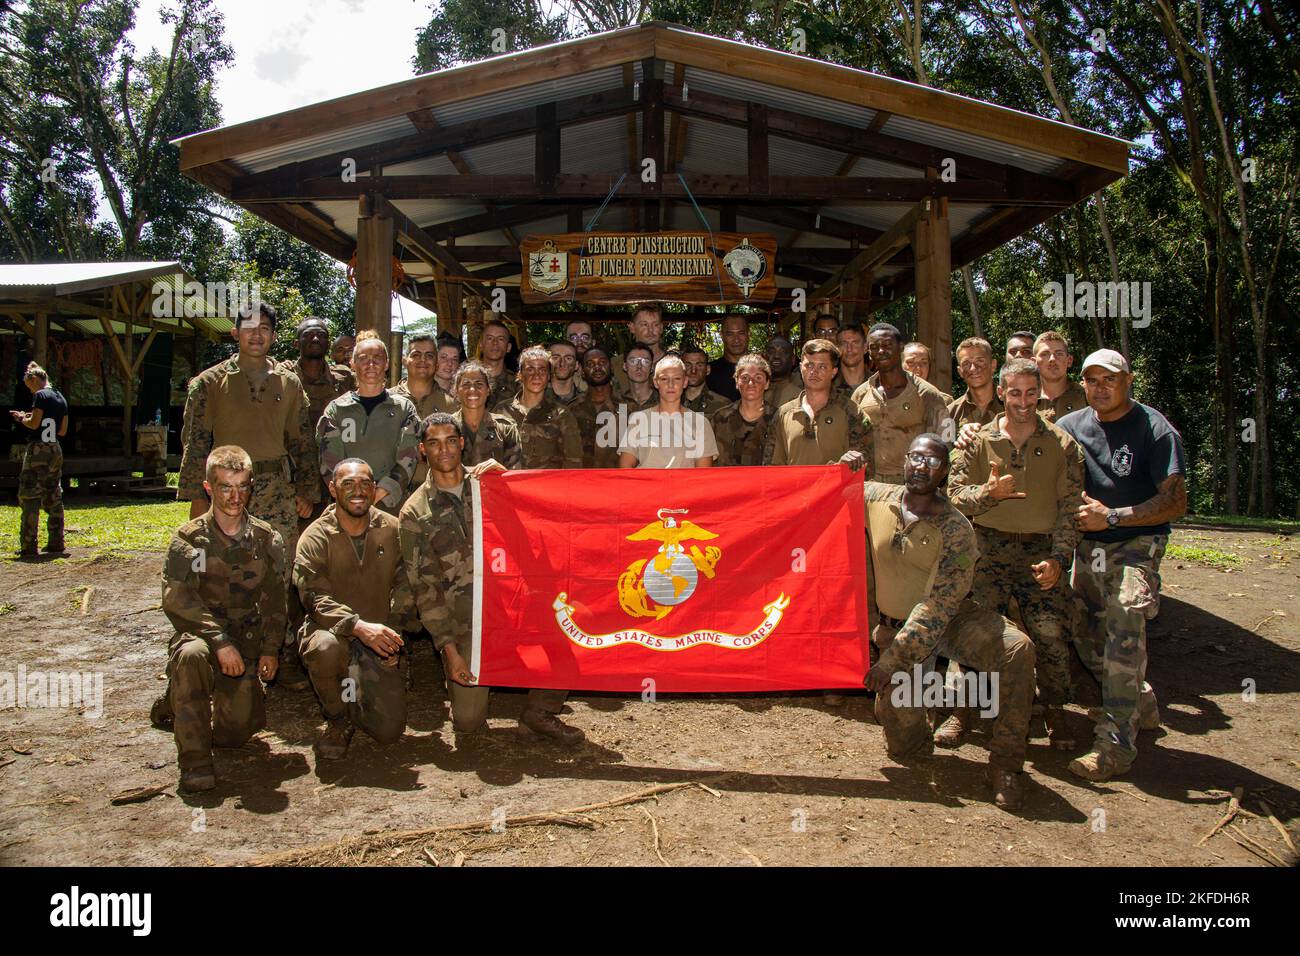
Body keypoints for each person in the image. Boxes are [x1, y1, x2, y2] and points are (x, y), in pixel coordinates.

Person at [863, 434, 1037, 810]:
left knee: (1016, 648)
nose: (921, 466)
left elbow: (938, 606)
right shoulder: (875, 497)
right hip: (894, 627)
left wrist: (892, 660)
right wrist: (839, 467)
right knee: (906, 749)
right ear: (905, 461)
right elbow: (824, 491)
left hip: (948, 622)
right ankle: (917, 706)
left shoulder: (956, 528)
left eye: (932, 462)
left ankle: (1006, 766)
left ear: (943, 471)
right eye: (915, 458)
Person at [400, 412, 584, 744]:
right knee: (469, 724)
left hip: (509, 604)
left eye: (451, 441)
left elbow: (538, 526)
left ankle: (539, 712)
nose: (444, 450)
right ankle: (469, 685)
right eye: (434, 443)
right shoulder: (415, 512)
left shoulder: (489, 483)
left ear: (461, 443)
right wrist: (449, 649)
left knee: (565, 625)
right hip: (464, 621)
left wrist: (514, 482)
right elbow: (424, 591)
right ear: (422, 450)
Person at [1056, 349, 1187, 782]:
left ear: (1128, 380)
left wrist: (1113, 515)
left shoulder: (1155, 428)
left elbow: (1175, 500)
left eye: (1109, 379)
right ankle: (1139, 697)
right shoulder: (1070, 427)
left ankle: (1114, 745)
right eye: (1091, 380)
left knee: (1125, 619)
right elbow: (1027, 442)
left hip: (1137, 542)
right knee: (1085, 632)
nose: (1100, 387)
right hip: (1088, 548)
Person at [178, 300, 318, 689]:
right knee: (218, 573)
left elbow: (303, 442)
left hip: (275, 488)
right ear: (235, 333)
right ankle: (215, 651)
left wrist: (306, 489)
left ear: (274, 336)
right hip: (226, 491)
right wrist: (197, 498)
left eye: (265, 329)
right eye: (249, 328)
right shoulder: (209, 383)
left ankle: (283, 652)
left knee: (281, 574)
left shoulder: (289, 384)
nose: (257, 335)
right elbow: (195, 445)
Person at [947, 358, 1085, 751]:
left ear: (1039, 394)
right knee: (975, 633)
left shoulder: (1062, 444)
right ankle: (962, 710)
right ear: (1001, 393)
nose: (1022, 402)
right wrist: (989, 494)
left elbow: (1071, 508)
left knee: (1050, 633)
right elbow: (954, 497)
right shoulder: (977, 440)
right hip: (987, 549)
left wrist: (1060, 558)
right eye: (1014, 393)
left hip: (1040, 552)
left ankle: (1054, 709)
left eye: (1030, 392)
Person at [160, 446, 287, 793]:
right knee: (191, 657)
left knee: (235, 735)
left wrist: (270, 649)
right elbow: (177, 600)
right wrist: (219, 642)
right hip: (200, 635)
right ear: (208, 488)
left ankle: (185, 699)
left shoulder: (265, 539)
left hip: (245, 642)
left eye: (243, 486)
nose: (235, 496)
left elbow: (276, 600)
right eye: (226, 487)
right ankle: (195, 760)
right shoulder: (188, 540)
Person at [295, 458, 416, 760]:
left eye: (365, 483)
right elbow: (313, 597)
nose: (358, 490)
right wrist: (358, 627)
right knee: (325, 649)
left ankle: (358, 692)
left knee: (389, 732)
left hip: (378, 637)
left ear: (374, 489)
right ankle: (338, 720)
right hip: (333, 632)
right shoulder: (315, 536)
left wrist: (394, 636)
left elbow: (406, 586)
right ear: (333, 489)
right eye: (348, 484)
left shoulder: (392, 529)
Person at [317, 331, 421, 516]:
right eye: (363, 358)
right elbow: (329, 462)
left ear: (387, 363)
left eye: (378, 358)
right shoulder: (336, 410)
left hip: (391, 506)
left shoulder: (404, 408)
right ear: (352, 363)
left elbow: (408, 459)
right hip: (348, 505)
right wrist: (352, 496)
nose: (371, 364)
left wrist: (376, 496)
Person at [851, 323, 951, 482]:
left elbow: (946, 442)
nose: (881, 351)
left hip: (912, 486)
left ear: (900, 347)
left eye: (887, 345)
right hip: (870, 487)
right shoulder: (860, 395)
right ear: (868, 352)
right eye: (874, 347)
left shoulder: (927, 394)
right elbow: (850, 440)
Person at [763, 339, 873, 468]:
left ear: (834, 372)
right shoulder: (783, 414)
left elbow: (865, 466)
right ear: (800, 368)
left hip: (837, 487)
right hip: (796, 488)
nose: (814, 372)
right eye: (809, 365)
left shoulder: (852, 412)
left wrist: (844, 467)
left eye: (822, 366)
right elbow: (772, 468)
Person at [10, 362, 68, 558]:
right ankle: (56, 541)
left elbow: (34, 424)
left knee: (29, 495)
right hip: (55, 447)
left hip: (38, 449)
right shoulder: (61, 398)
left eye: (29, 386)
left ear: (35, 380)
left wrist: (21, 418)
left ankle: (28, 544)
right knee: (53, 493)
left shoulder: (40, 396)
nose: (30, 390)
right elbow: (62, 430)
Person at [618, 355, 717, 468]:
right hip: (647, 485)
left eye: (677, 379)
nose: (670, 385)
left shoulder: (700, 423)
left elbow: (703, 473)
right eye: (664, 379)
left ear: (685, 382)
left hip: (684, 485)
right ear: (656, 382)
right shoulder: (639, 420)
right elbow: (625, 467)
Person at [496, 346, 582, 469]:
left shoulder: (561, 414)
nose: (536, 375)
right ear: (520, 375)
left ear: (549, 376)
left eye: (542, 370)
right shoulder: (501, 411)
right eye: (530, 369)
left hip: (548, 486)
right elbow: (490, 455)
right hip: (509, 486)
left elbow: (574, 462)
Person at [393, 333, 458, 488]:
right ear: (404, 361)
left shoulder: (452, 406)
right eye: (416, 355)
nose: (422, 360)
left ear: (436, 363)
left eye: (429, 356)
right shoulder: (386, 401)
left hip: (437, 494)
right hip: (391, 494)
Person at [451, 361, 522, 469]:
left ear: (488, 390)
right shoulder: (446, 428)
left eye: (479, 384)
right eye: (466, 385)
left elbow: (516, 477)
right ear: (456, 391)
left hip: (496, 486)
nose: (472, 390)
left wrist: (500, 469)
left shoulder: (505, 429)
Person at [710, 354, 775, 466]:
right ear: (736, 382)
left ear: (767, 383)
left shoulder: (778, 419)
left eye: (758, 378)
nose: (751, 383)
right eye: (745, 378)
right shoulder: (720, 418)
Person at [570, 348, 621, 469]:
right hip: (582, 483)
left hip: (618, 483)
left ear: (612, 368)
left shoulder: (629, 408)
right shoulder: (571, 410)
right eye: (590, 364)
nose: (597, 368)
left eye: (602, 362)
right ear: (582, 372)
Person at [948, 337, 1003, 428]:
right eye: (966, 363)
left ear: (993, 365)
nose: (973, 368)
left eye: (980, 361)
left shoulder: (1011, 405)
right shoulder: (951, 414)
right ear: (960, 371)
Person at [611, 303, 668, 392]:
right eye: (644, 324)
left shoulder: (674, 364)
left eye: (655, 325)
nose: (650, 330)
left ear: (661, 328)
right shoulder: (616, 365)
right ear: (632, 327)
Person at [1033, 331, 1087, 424]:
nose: (1052, 359)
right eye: (1045, 354)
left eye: (1059, 353)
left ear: (1069, 360)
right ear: (1034, 362)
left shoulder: (1086, 396)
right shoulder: (1026, 399)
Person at [705, 314, 751, 401]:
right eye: (730, 334)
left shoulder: (761, 370)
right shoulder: (708, 372)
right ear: (722, 336)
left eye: (741, 333)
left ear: (749, 334)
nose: (736, 339)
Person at [477, 319, 518, 410]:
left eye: (500, 339)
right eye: (490, 338)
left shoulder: (518, 386)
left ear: (508, 347)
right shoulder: (467, 381)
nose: (495, 343)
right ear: (481, 345)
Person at [681, 346, 730, 415]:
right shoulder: (670, 402)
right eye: (687, 365)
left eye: (699, 365)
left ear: (708, 370)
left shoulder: (722, 405)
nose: (693, 371)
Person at [615, 343, 660, 412]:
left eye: (645, 362)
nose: (639, 366)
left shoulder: (663, 400)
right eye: (633, 361)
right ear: (625, 366)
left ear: (652, 367)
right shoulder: (617, 402)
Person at [764, 335, 802, 409]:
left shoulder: (803, 395)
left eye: (783, 352)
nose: (776, 356)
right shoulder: (753, 389)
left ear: (793, 359)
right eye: (771, 352)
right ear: (764, 357)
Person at [544, 340, 584, 406]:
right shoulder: (537, 396)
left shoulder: (586, 399)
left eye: (568, 358)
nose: (562, 363)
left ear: (576, 365)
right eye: (555, 358)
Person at [834, 323, 870, 395]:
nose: (849, 349)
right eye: (844, 343)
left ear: (865, 347)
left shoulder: (877, 383)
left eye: (855, 343)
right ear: (837, 349)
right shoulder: (828, 385)